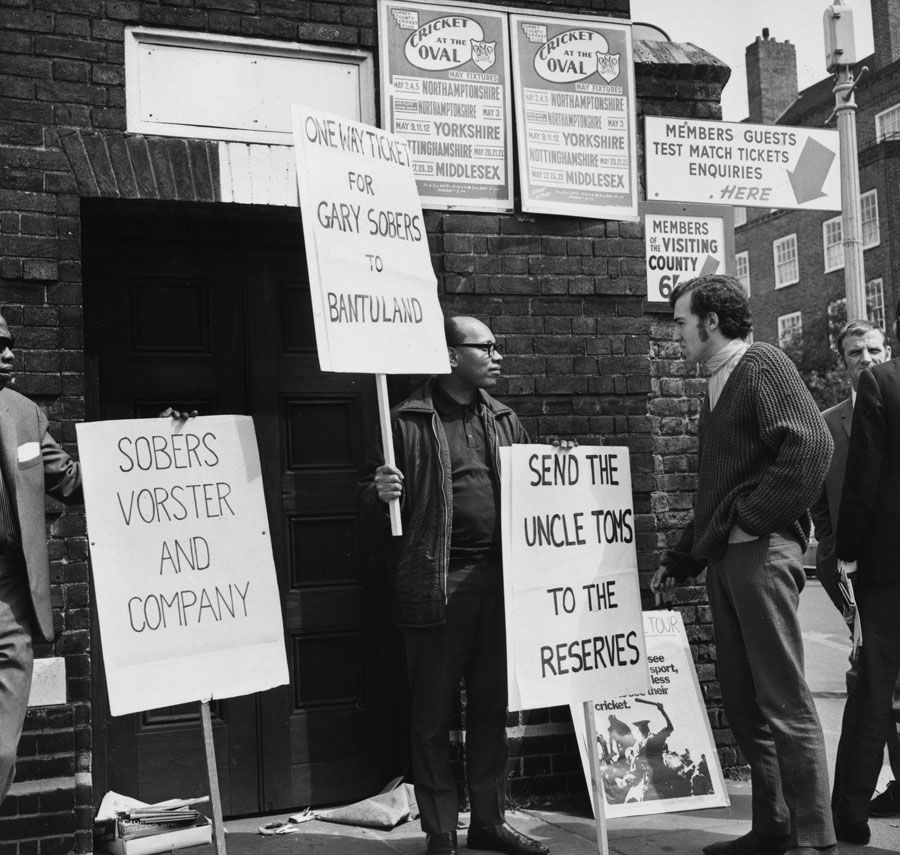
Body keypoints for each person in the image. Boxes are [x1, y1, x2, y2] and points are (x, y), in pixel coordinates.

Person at [650, 275, 836, 855]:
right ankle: (773, 823)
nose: (676, 332)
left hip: (762, 552)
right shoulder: (716, 382)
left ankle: (815, 836)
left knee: (782, 697)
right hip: (729, 559)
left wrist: (754, 518)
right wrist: (682, 558)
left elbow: (813, 446)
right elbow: (717, 493)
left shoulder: (762, 365)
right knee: (741, 697)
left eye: (681, 321)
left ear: (710, 321)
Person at [360, 316, 547, 855]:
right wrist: (379, 493)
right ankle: (441, 830)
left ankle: (488, 822)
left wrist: (553, 471)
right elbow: (368, 518)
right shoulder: (405, 422)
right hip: (438, 585)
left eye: (496, 343)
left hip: (498, 584)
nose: (497, 355)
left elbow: (529, 495)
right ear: (449, 356)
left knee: (491, 711)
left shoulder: (505, 419)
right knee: (432, 716)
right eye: (484, 346)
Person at [810, 320, 900, 825]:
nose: (865, 359)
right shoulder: (826, 422)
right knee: (874, 682)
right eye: (854, 353)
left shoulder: (885, 387)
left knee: (876, 685)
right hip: (855, 572)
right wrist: (837, 557)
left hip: (879, 565)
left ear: (887, 348)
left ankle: (864, 801)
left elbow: (867, 484)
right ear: (841, 360)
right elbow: (822, 502)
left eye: (873, 349)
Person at [0, 312, 83, 804]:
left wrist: (151, 443)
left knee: (1, 752)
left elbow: (71, 481)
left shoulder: (24, 413)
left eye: (8, 344)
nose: (9, 354)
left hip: (8, 594)